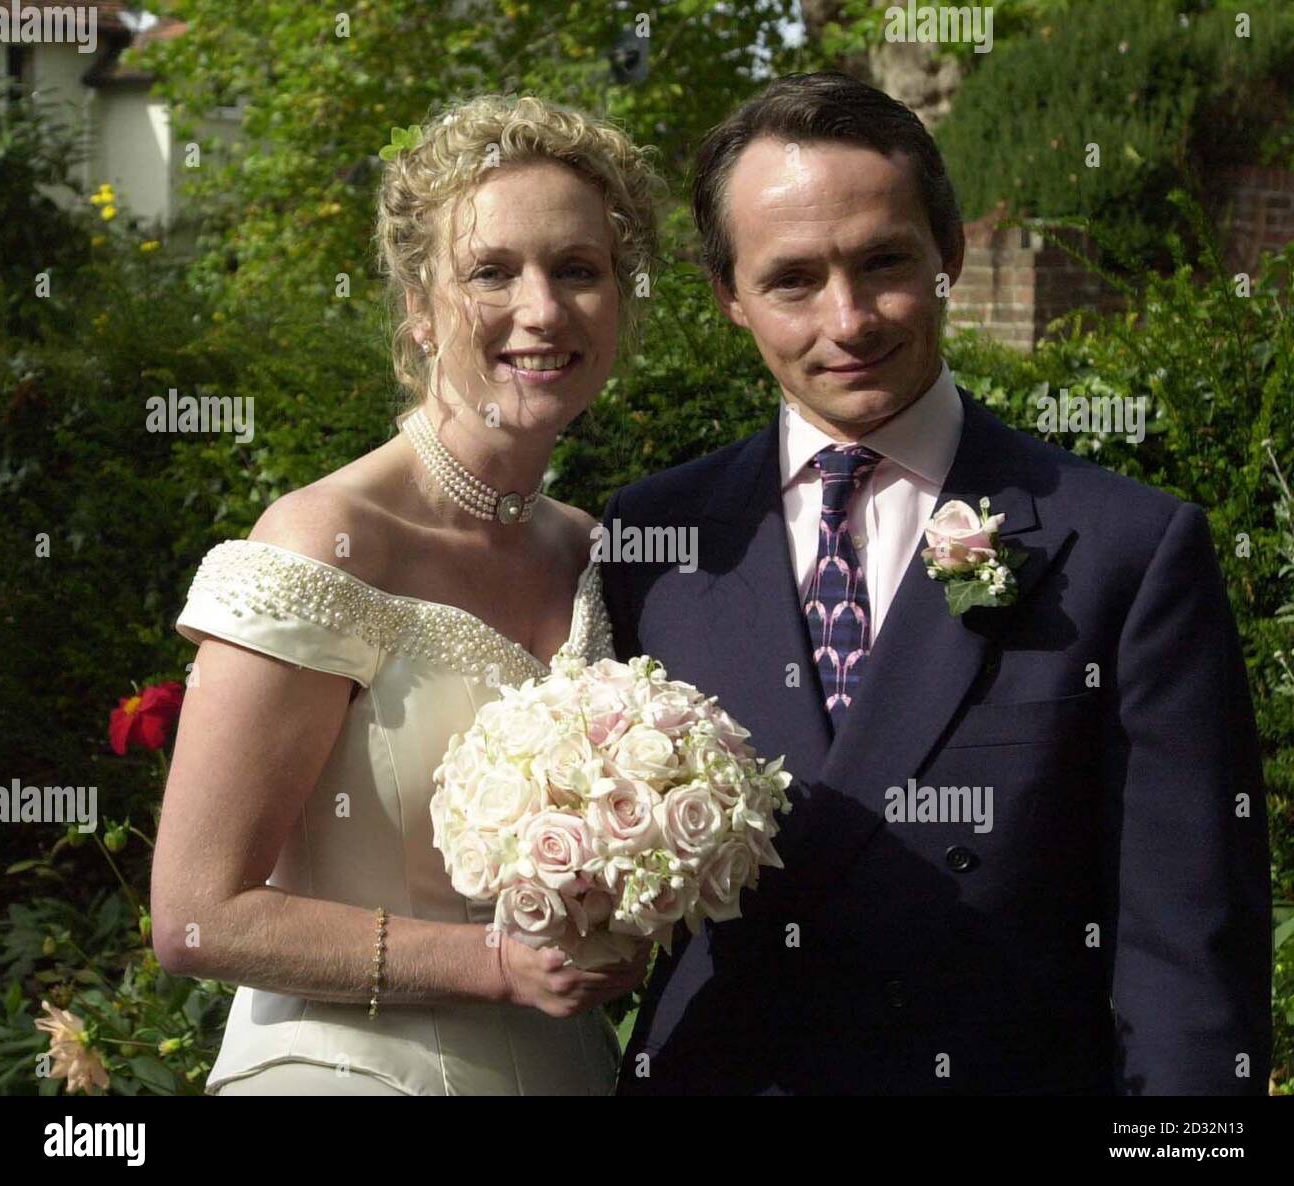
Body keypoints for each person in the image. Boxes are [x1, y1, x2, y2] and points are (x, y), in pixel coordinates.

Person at [602, 72, 1272, 1095]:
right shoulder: (651, 541)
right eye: (792, 280)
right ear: (728, 297)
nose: (849, 318)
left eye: (883, 262)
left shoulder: (1129, 547)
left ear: (949, 255)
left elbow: (1189, 948)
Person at [150, 93, 662, 1096]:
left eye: (577, 270)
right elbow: (196, 913)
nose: (542, 310)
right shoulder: (324, 545)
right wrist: (494, 967)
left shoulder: (599, 555)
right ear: (420, 309)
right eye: (490, 272)